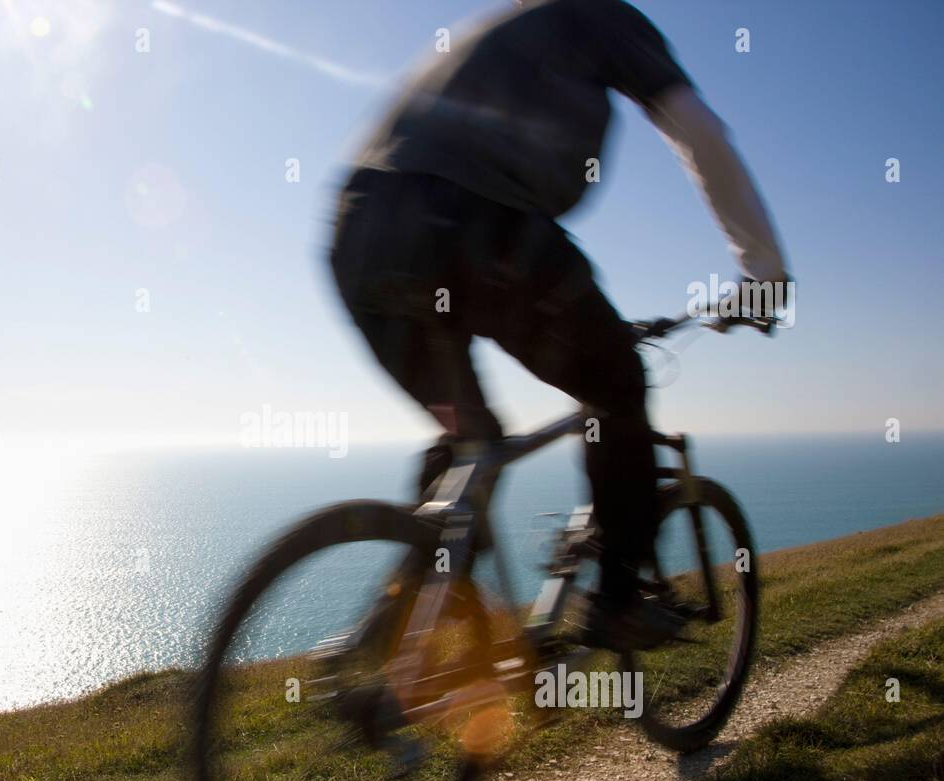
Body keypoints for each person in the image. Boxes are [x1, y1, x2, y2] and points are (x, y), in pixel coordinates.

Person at [329, 0, 789, 646]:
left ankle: (393, 644)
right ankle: (618, 600)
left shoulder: (494, 28)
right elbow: (697, 130)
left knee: (472, 445)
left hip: (360, 231)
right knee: (615, 385)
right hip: (474, 223)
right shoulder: (595, 13)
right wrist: (763, 269)